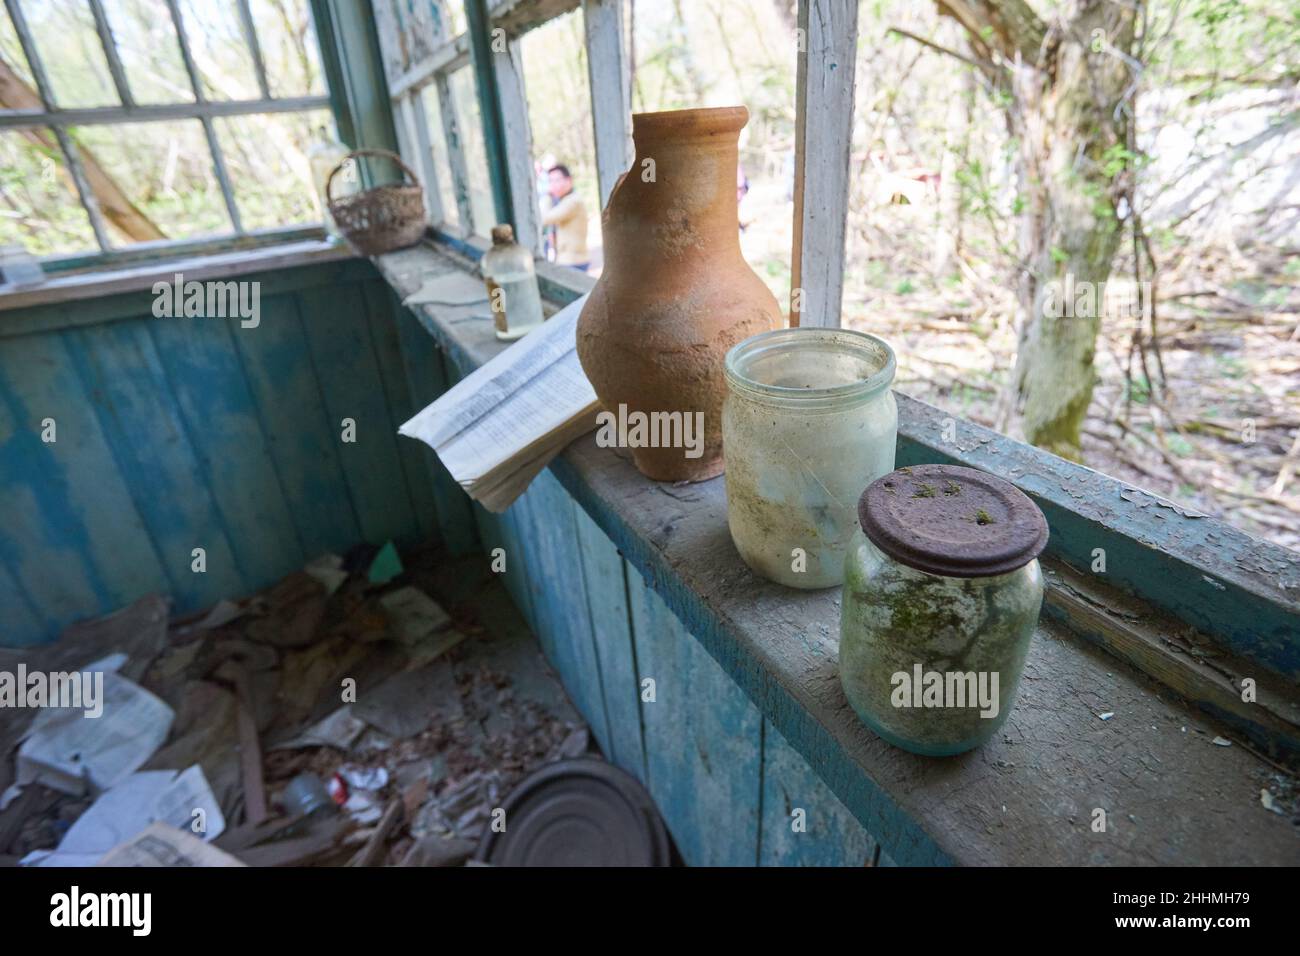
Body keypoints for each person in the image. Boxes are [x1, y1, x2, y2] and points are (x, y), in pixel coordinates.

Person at [541, 164, 589, 272]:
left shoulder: (573, 201)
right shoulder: (566, 200)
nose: (553, 185)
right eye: (550, 181)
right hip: (570, 259)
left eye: (557, 180)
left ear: (569, 180)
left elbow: (545, 219)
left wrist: (547, 196)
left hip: (573, 261)